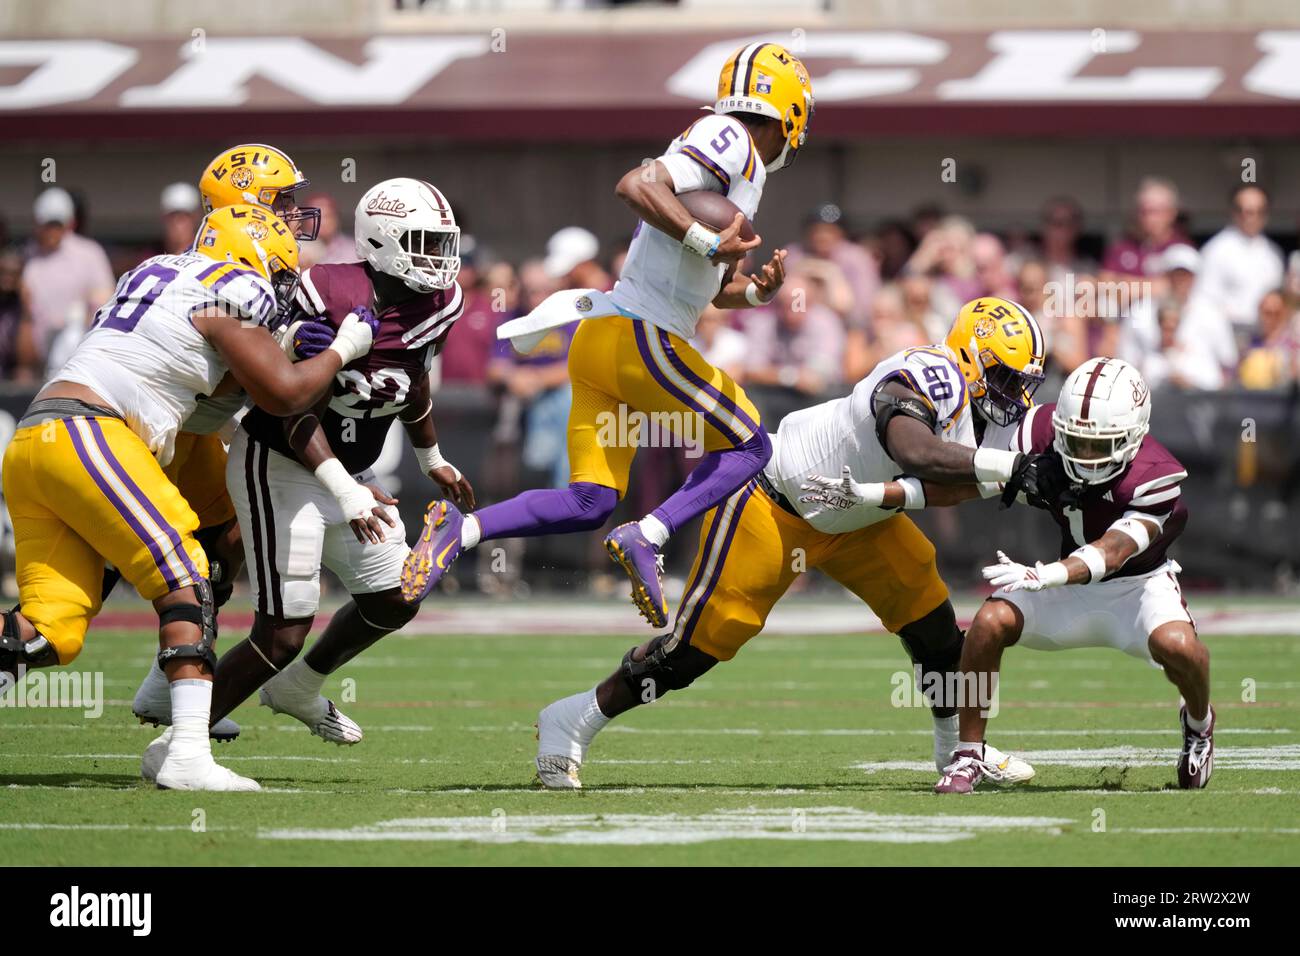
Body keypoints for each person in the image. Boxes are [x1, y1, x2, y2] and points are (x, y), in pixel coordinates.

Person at [533, 297, 1052, 789]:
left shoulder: (984, 413)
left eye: (1023, 383)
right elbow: (914, 450)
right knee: (691, 653)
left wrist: (1022, 478)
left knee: (935, 625)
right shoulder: (929, 374)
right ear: (969, 355)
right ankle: (574, 718)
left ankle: (957, 752)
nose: (1016, 396)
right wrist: (1010, 470)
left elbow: (941, 487)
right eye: (1006, 377)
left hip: (861, 512)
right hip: (776, 502)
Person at [401, 43, 814, 630]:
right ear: (789, 111)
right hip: (640, 337)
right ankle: (649, 534)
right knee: (751, 446)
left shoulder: (735, 169)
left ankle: (459, 530)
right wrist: (702, 238)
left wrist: (754, 294)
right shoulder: (731, 137)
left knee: (588, 501)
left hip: (605, 340)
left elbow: (707, 285)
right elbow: (636, 184)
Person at [1, 204, 377, 791]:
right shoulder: (234, 287)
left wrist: (279, 340)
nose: (280, 283)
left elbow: (204, 381)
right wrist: (343, 348)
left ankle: (179, 734)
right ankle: (186, 757)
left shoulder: (158, 272)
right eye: (279, 267)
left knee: (49, 631)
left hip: (35, 439)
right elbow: (283, 393)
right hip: (89, 430)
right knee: (185, 578)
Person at [135, 179, 473, 784]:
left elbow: (413, 376)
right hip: (280, 462)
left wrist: (432, 458)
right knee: (284, 628)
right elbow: (287, 404)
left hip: (350, 476)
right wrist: (342, 483)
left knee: (396, 594)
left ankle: (298, 687)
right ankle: (179, 743)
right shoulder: (326, 289)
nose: (439, 259)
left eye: (443, 243)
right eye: (424, 243)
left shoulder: (440, 303)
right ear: (381, 239)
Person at [935, 357, 1213, 792]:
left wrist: (1049, 575)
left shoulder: (1155, 476)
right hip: (1067, 587)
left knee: (1181, 648)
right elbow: (970, 474)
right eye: (1075, 441)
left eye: (1099, 444)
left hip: (1135, 590)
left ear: (1135, 436)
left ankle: (1199, 724)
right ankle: (969, 753)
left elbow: (1112, 552)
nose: (1084, 455)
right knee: (987, 623)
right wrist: (886, 494)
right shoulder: (1042, 430)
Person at [18, 187, 115, 377]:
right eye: (48, 224)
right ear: (37, 224)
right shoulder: (27, 256)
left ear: (70, 223)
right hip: (37, 359)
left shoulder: (89, 253)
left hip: (80, 359)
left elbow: (105, 305)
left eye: (58, 224)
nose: (52, 231)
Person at [1191, 184, 1285, 350]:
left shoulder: (1274, 254)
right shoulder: (1215, 250)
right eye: (1246, 211)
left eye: (1259, 211)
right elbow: (1203, 301)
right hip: (1228, 337)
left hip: (1266, 339)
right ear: (1234, 212)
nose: (1251, 217)